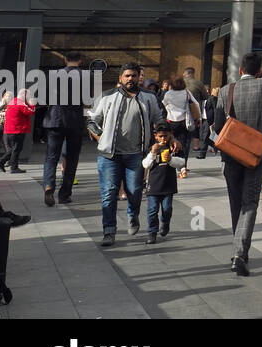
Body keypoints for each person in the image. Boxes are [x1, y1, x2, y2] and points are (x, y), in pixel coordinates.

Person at [211, 51, 262, 277]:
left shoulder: (225, 91)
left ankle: (238, 249)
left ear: (241, 70)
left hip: (231, 154)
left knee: (235, 202)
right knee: (250, 203)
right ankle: (239, 253)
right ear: (259, 71)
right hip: (256, 155)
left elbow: (218, 125)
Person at [86, 63, 157, 246]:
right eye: (127, 76)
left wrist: (164, 137)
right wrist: (100, 137)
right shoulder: (107, 96)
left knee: (134, 191)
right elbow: (92, 119)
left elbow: (159, 118)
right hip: (109, 155)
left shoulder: (148, 97)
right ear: (120, 78)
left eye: (134, 75)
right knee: (109, 193)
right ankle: (109, 231)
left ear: (139, 77)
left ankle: (133, 215)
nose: (130, 79)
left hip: (136, 154)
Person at [43, 52, 88, 205]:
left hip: (55, 119)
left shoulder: (54, 74)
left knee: (51, 157)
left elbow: (44, 97)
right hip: (75, 122)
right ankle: (64, 194)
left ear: (65, 60)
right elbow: (88, 99)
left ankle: (49, 185)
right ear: (80, 61)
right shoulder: (86, 76)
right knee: (71, 158)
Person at [142, 123, 186, 244]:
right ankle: (152, 232)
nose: (163, 139)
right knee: (152, 210)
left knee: (167, 209)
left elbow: (182, 162)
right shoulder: (152, 148)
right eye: (160, 136)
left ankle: (165, 223)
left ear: (170, 134)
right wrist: (152, 153)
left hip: (168, 185)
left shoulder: (175, 147)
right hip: (153, 185)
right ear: (156, 136)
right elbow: (145, 164)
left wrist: (171, 160)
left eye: (165, 136)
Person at [161, 76, 200, 158]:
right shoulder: (186, 92)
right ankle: (183, 163)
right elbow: (196, 104)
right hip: (184, 121)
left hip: (171, 121)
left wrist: (169, 108)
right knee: (184, 142)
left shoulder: (168, 94)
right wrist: (198, 118)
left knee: (171, 140)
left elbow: (163, 104)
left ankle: (173, 157)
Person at [0, 88, 36, 173]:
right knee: (16, 149)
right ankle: (7, 165)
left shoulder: (13, 102)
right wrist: (32, 104)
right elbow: (31, 111)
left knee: (13, 150)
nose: (29, 97)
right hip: (17, 130)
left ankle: (11, 166)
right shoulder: (20, 103)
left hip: (9, 130)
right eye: (28, 95)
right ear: (24, 95)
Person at [182, 68, 210, 158]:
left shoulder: (179, 83)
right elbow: (205, 96)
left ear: (184, 74)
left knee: (182, 134)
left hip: (180, 112)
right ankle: (195, 146)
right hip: (194, 111)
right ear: (193, 74)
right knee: (195, 130)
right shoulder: (198, 83)